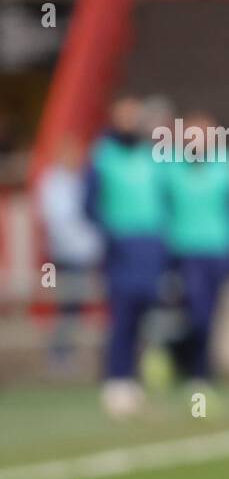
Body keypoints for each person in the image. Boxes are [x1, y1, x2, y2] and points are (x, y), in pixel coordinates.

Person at [84, 94, 169, 418]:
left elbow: (164, 199)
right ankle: (115, 381)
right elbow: (88, 203)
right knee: (121, 317)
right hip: (122, 248)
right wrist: (112, 231)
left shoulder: (152, 156)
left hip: (150, 246)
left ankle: (134, 380)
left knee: (145, 317)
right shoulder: (103, 156)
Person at [163, 111, 229, 391]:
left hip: (218, 250)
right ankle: (187, 365)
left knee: (211, 315)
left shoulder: (224, 164)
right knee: (196, 313)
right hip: (185, 250)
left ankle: (202, 373)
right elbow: (164, 207)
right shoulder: (171, 165)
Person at [37, 135, 103, 371]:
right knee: (69, 306)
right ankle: (60, 355)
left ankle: (82, 355)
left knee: (90, 305)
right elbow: (59, 222)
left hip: (90, 252)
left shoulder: (81, 180)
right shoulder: (53, 183)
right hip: (68, 255)